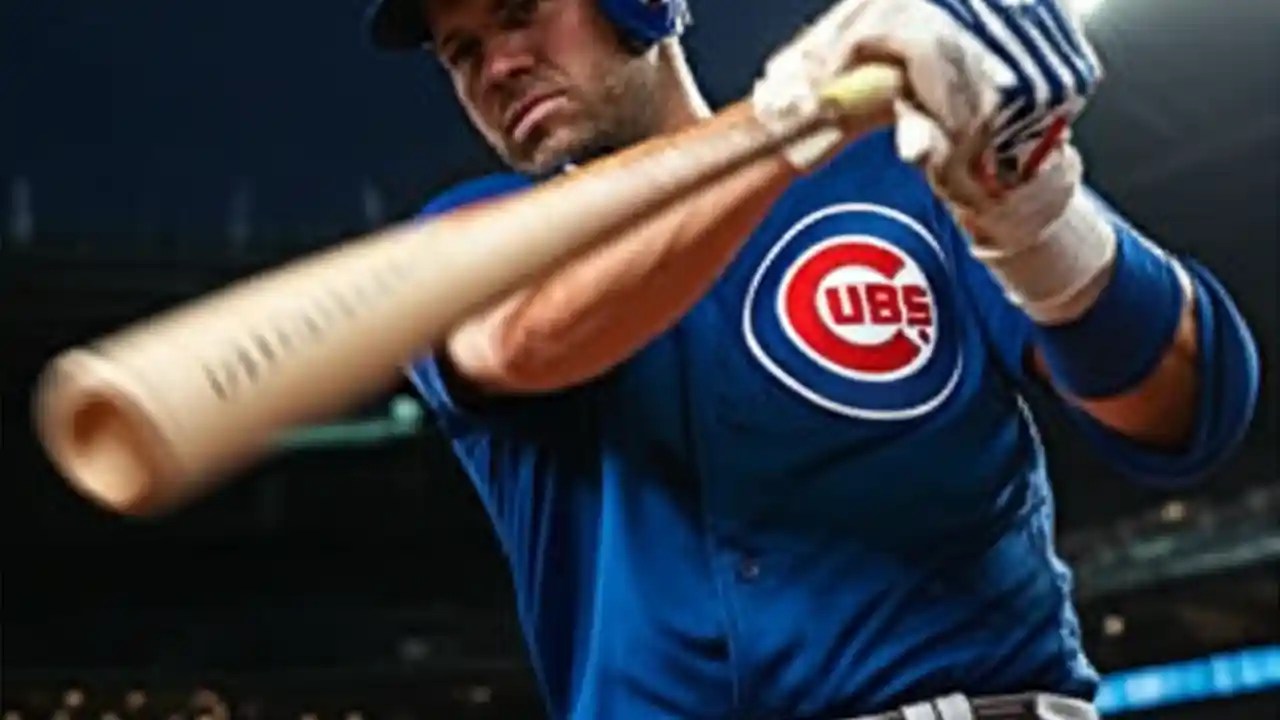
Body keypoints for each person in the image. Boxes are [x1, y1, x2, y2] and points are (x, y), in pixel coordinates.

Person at [366, 0, 1260, 718]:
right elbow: (527, 337)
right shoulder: (468, 236)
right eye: (459, 52)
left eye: (519, 13)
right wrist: (800, 117)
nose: (496, 66)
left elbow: (1180, 407)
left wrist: (1035, 221)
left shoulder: (897, 165)